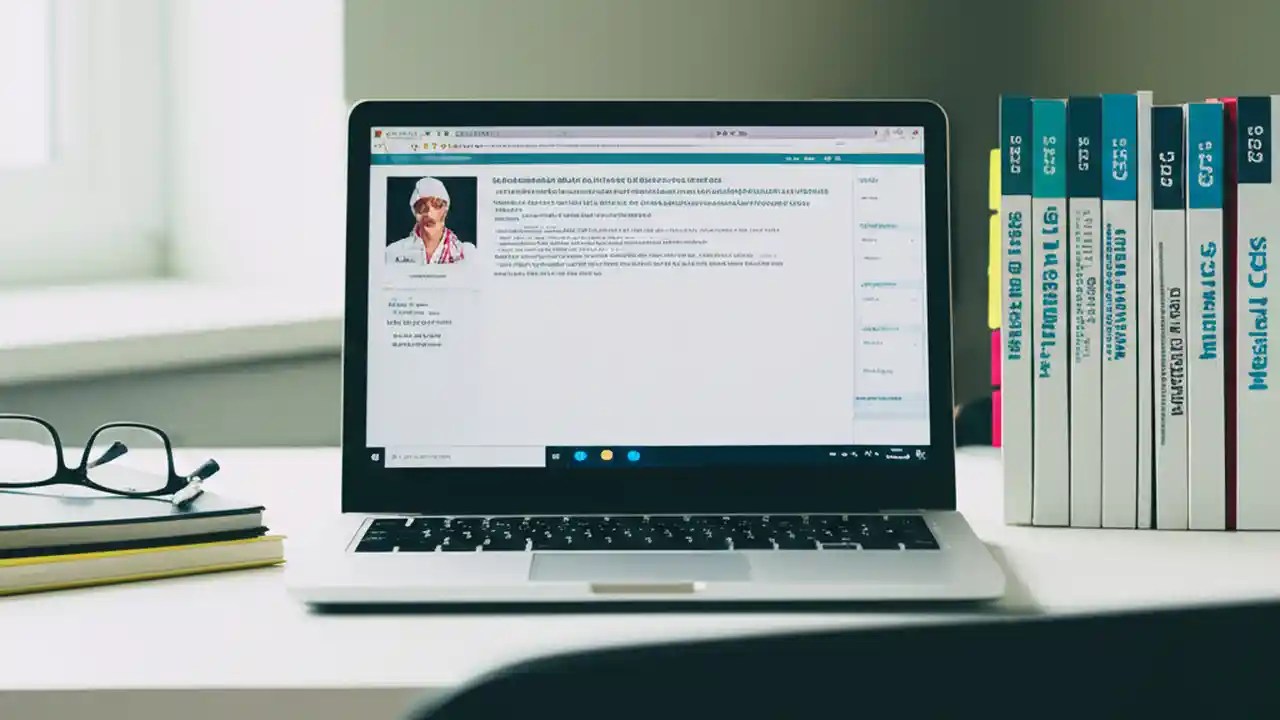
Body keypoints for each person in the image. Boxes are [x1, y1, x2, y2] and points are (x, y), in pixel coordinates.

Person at [386, 177, 475, 265]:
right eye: (421, 206)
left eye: (437, 204)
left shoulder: (467, 255)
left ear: (445, 211)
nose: (429, 213)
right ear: (415, 212)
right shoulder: (393, 253)